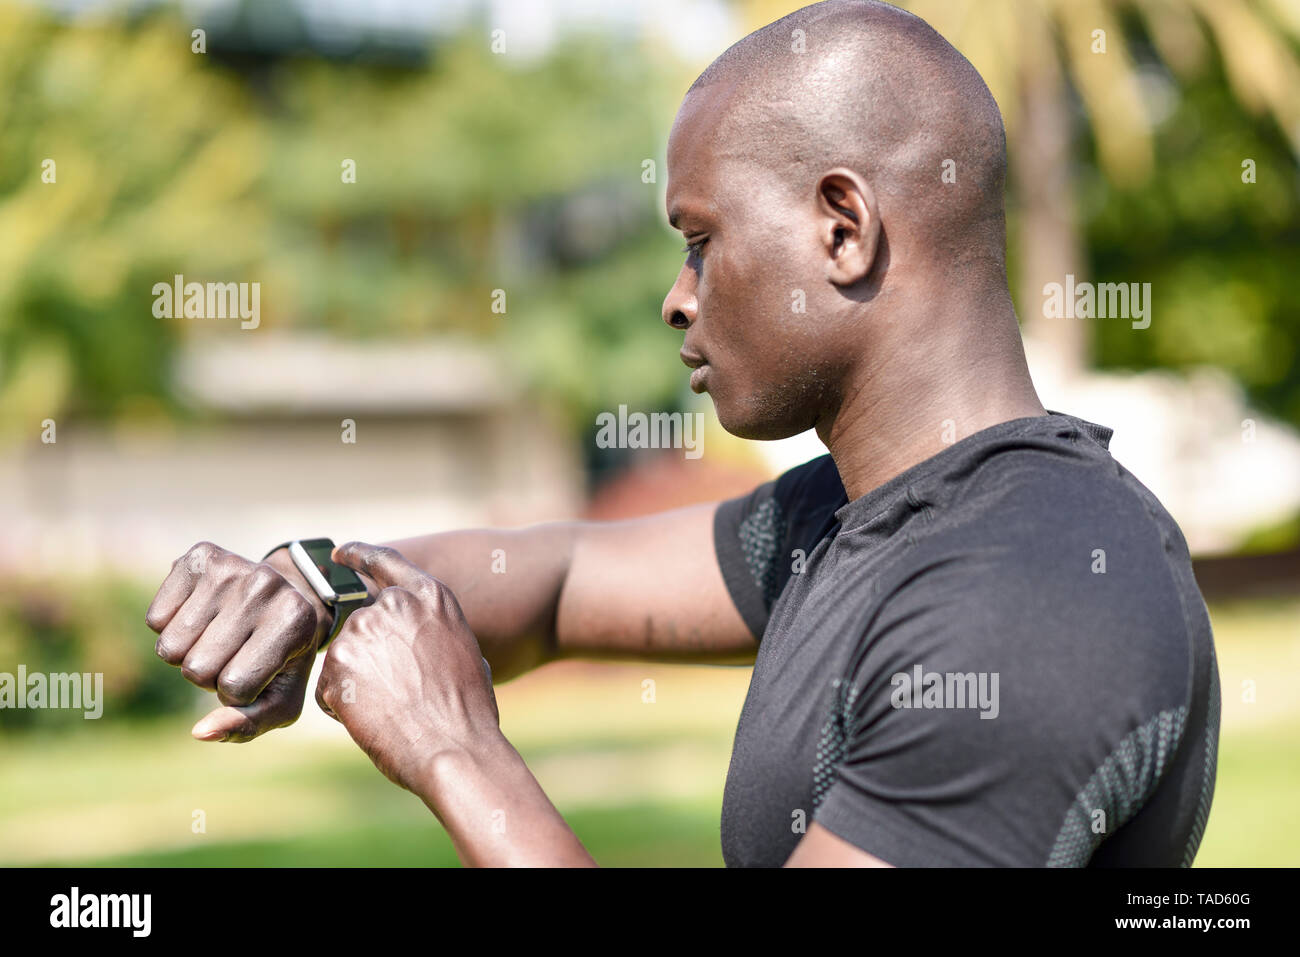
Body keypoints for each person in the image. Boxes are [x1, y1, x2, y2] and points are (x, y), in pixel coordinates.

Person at [145, 0, 1219, 867]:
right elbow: (555, 582)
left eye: (701, 240)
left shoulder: (1034, 598)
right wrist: (310, 585)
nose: (675, 296)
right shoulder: (852, 519)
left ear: (841, 229)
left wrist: (453, 751)